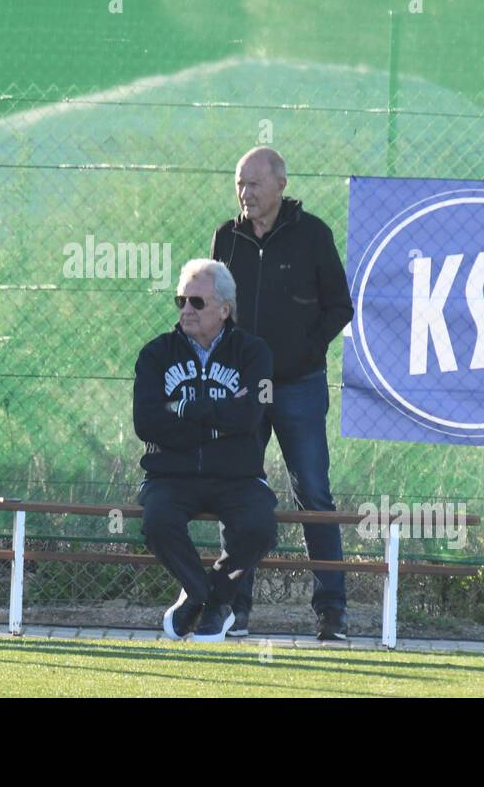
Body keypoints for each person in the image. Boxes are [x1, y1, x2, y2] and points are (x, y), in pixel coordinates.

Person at [210, 146, 355, 640]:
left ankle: (331, 612)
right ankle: (234, 608)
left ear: (280, 185)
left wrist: (305, 349)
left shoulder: (313, 235)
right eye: (239, 183)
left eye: (253, 183)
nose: (244, 193)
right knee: (239, 491)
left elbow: (340, 306)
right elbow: (212, 307)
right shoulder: (225, 238)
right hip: (241, 390)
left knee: (313, 492)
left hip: (300, 386)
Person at [133, 259, 277, 642]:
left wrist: (182, 410)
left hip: (237, 475)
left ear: (224, 309)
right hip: (171, 474)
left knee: (260, 528)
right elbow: (146, 423)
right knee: (157, 522)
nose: (186, 310)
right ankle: (204, 596)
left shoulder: (255, 353)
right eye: (181, 300)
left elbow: (249, 417)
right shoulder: (155, 354)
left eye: (197, 302)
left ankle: (212, 599)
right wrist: (216, 426)